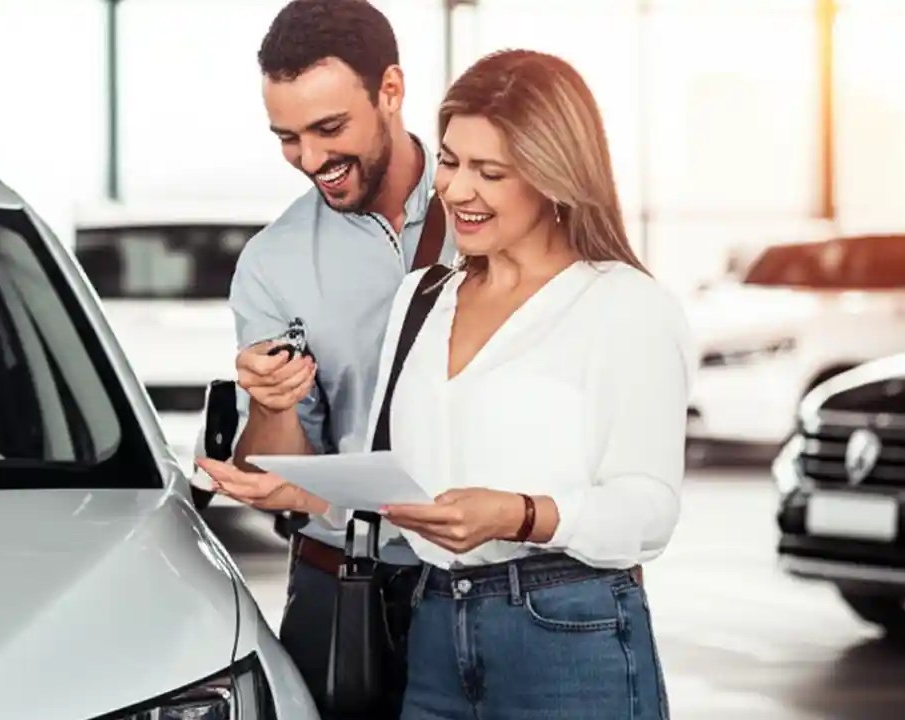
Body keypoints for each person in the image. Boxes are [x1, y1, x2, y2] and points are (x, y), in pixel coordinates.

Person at [205, 47, 696, 719]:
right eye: (451, 160)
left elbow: (649, 510)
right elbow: (401, 482)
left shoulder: (625, 305)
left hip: (566, 635)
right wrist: (296, 487)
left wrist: (519, 513)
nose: (457, 190)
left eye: (490, 171)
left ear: (555, 175)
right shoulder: (425, 297)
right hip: (435, 628)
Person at [193, 0, 454, 716]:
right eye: (287, 138)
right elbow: (276, 467)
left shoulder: (483, 208)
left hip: (483, 583)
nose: (311, 160)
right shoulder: (272, 264)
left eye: (329, 129)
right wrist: (273, 403)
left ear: (391, 92)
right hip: (343, 584)